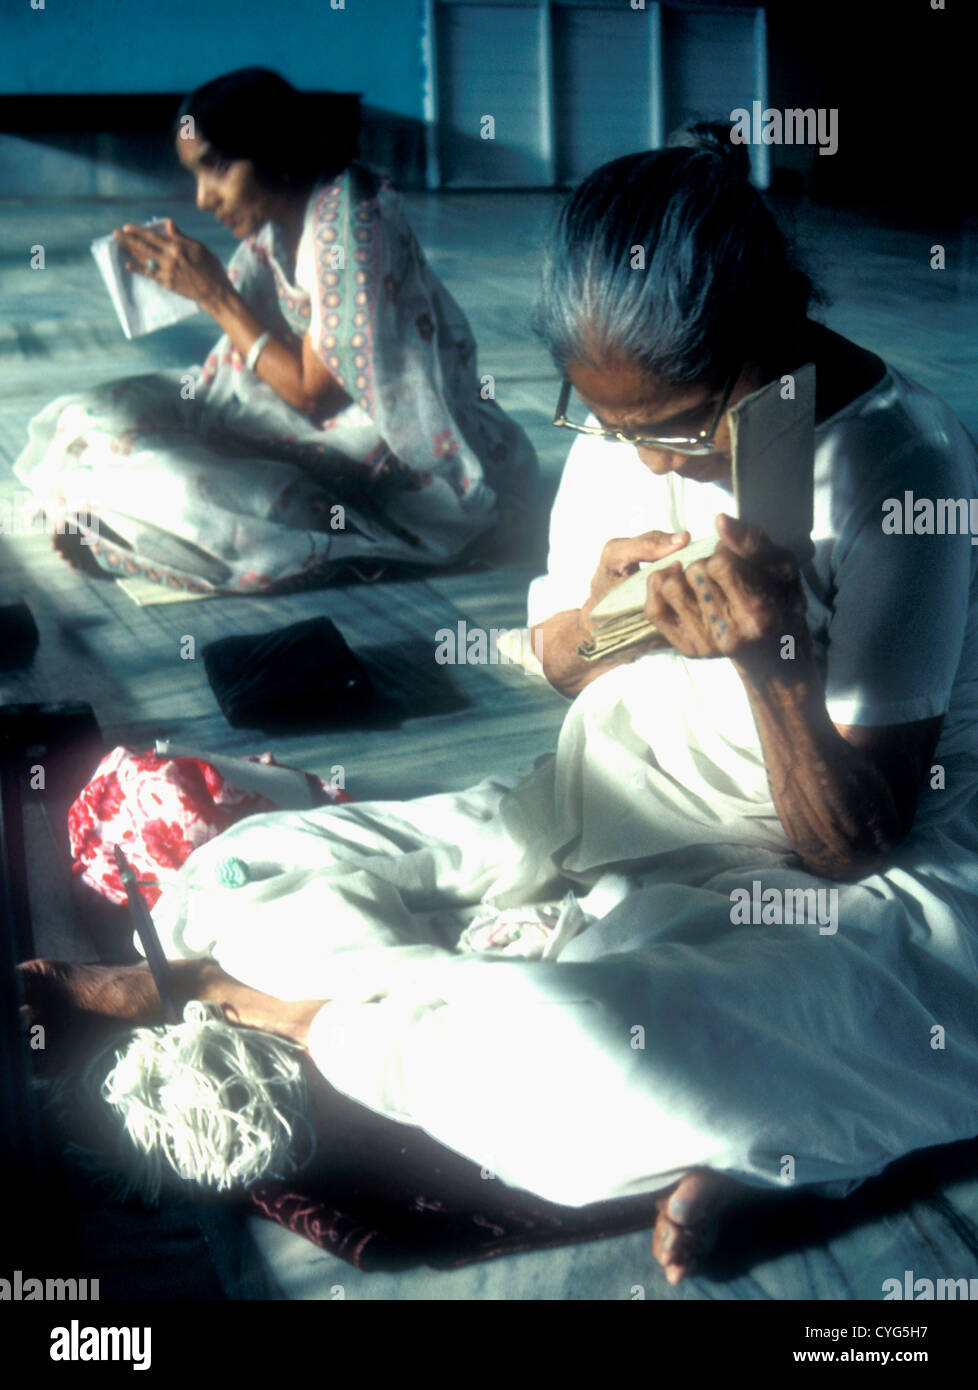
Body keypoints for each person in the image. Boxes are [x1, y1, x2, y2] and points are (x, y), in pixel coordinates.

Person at [19, 125, 978, 1287]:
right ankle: (777, 1142)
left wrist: (772, 661)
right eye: (612, 428)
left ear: (769, 345)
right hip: (597, 810)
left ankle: (263, 1006)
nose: (654, 464)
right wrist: (605, 616)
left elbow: (852, 836)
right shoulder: (632, 425)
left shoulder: (902, 463)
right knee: (249, 865)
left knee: (592, 1044)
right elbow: (565, 664)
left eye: (676, 430)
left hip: (831, 869)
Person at [13, 68, 537, 594]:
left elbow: (313, 395)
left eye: (215, 168)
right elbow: (242, 353)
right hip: (288, 420)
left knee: (190, 488)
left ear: (272, 147)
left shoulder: (349, 228)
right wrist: (192, 285)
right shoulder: (276, 226)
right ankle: (133, 514)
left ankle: (136, 535)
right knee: (93, 412)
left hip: (383, 464)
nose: (202, 198)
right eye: (195, 175)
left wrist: (214, 293)